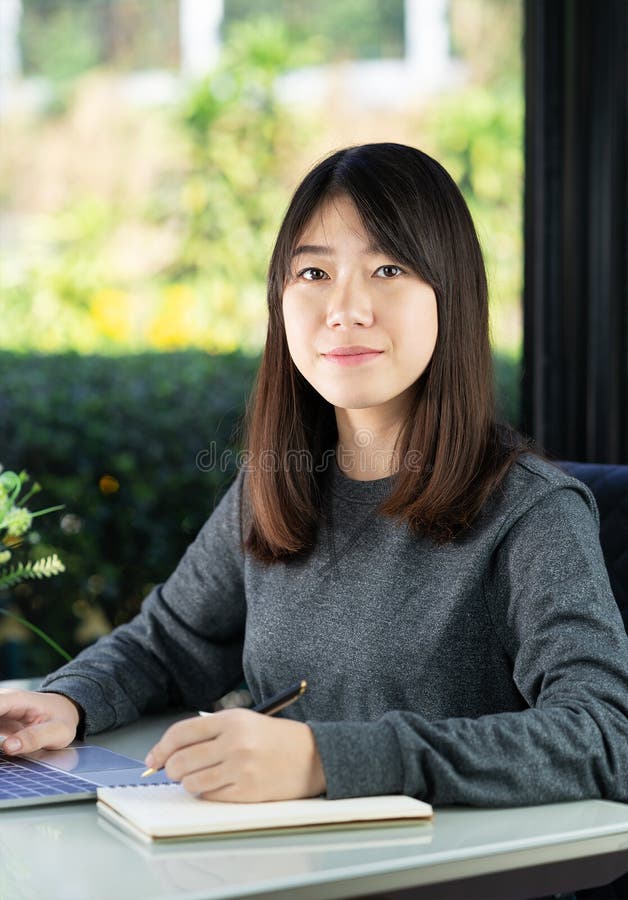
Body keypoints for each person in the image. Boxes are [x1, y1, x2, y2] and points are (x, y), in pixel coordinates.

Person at [1, 143, 627, 806]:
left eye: (387, 268)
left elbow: (606, 735)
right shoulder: (278, 481)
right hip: (288, 865)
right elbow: (169, 643)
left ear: (452, 295)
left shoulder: (531, 512)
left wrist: (328, 760)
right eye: (313, 274)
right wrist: (65, 700)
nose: (344, 309)